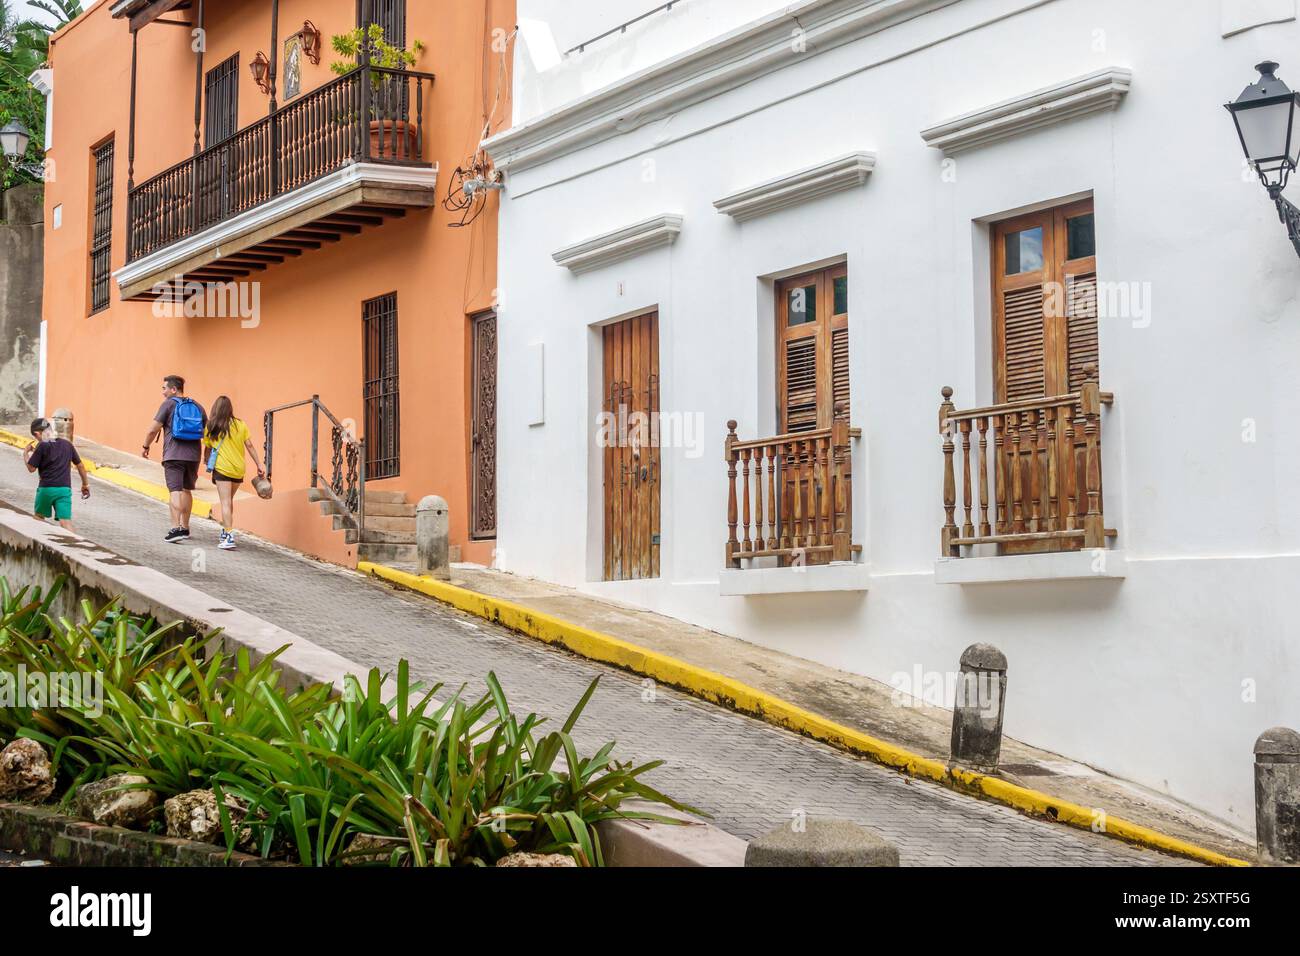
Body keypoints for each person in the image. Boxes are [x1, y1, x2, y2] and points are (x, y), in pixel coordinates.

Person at [142, 374, 206, 543]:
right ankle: (185, 528)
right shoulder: (197, 406)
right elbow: (207, 433)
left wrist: (146, 446)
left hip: (173, 455)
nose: (162, 392)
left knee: (175, 491)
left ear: (174, 389)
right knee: (186, 490)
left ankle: (175, 528)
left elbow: (152, 430)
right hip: (193, 456)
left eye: (164, 388)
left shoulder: (168, 405)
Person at [201, 395, 264, 551]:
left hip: (222, 469)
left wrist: (206, 459)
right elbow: (249, 445)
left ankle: (229, 536)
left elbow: (208, 446)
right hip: (238, 469)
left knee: (225, 502)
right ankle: (225, 530)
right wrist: (259, 464)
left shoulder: (212, 425)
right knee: (229, 501)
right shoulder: (240, 425)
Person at [24, 418, 90, 530]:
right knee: (66, 523)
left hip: (46, 489)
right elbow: (80, 466)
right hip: (64, 490)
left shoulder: (42, 445)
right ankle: (72, 544)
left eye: (36, 437)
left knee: (39, 519)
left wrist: (25, 453)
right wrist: (85, 484)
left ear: (37, 433)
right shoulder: (67, 445)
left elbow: (31, 468)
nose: (37, 439)